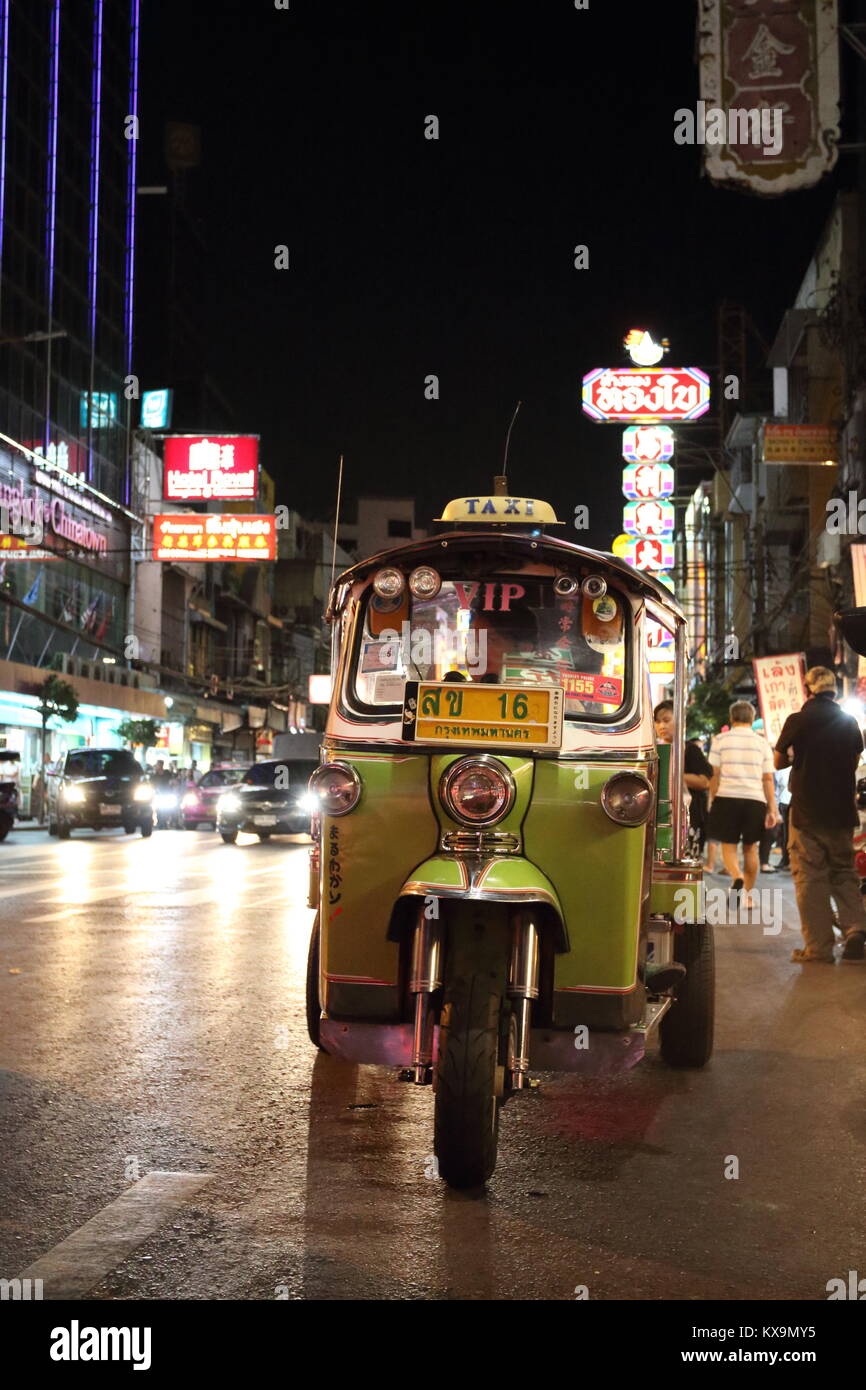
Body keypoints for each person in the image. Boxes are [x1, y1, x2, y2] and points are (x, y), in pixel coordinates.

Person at [774, 666, 866, 963]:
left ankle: (818, 947)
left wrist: (799, 756)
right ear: (834, 690)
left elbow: (778, 762)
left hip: (807, 813)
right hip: (842, 812)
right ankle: (855, 929)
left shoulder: (798, 720)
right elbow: (855, 759)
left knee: (811, 878)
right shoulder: (849, 722)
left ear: (808, 688)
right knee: (844, 872)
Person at [706, 700, 779, 908]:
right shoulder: (762, 743)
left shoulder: (720, 740)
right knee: (751, 849)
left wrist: (713, 798)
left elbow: (715, 774)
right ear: (752, 718)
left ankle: (736, 876)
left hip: (726, 797)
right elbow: (768, 778)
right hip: (755, 800)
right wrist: (772, 808)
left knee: (728, 846)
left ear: (731, 718)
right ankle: (746, 896)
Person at [653, 702, 712, 854]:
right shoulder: (653, 751)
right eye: (657, 722)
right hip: (660, 815)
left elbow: (704, 781)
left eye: (666, 720)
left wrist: (672, 773)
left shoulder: (691, 750)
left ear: (680, 721)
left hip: (689, 816)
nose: (661, 726)